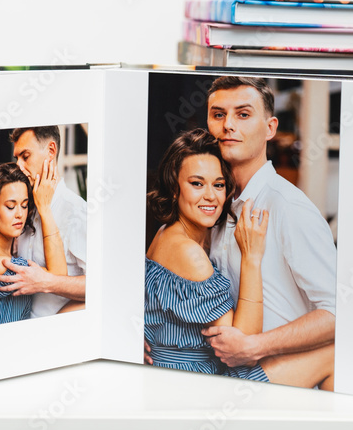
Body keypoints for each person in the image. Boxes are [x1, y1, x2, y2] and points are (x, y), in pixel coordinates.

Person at [200, 76, 336, 390]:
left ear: (270, 128)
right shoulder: (215, 203)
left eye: (243, 114)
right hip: (222, 375)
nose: (228, 125)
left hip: (277, 381)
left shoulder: (288, 206)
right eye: (218, 115)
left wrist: (256, 346)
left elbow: (338, 312)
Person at [144, 129, 270, 380]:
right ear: (174, 189)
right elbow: (241, 344)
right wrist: (251, 258)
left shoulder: (165, 233)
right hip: (197, 380)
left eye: (219, 185)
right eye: (197, 183)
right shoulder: (188, 252)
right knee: (328, 354)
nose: (211, 196)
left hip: (170, 371)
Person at [0, 126, 87, 318]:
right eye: (16, 158)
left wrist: (47, 282)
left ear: (51, 152)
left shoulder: (77, 211)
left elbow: (102, 285)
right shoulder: (23, 207)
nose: (18, 166)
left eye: (25, 156)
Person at [0, 162, 67, 326]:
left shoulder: (2, 253)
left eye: (25, 205)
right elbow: (58, 275)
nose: (20, 214)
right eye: (10, 206)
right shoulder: (1, 264)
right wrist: (45, 208)